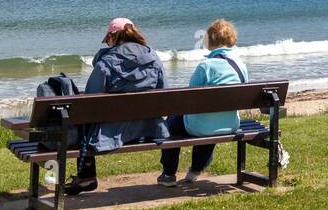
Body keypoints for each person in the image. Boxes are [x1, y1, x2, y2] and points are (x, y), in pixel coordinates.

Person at [66, 17, 168, 195]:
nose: (108, 43)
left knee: (83, 120)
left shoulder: (107, 63)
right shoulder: (154, 58)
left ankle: (86, 177)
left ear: (114, 37)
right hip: (150, 129)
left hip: (110, 134)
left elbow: (90, 100)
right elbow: (164, 93)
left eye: (108, 39)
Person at [159, 19, 249, 186]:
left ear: (209, 40)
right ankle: (195, 170)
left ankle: (168, 174)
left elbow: (189, 97)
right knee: (211, 121)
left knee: (171, 123)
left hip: (200, 127)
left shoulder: (205, 66)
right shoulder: (240, 65)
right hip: (230, 124)